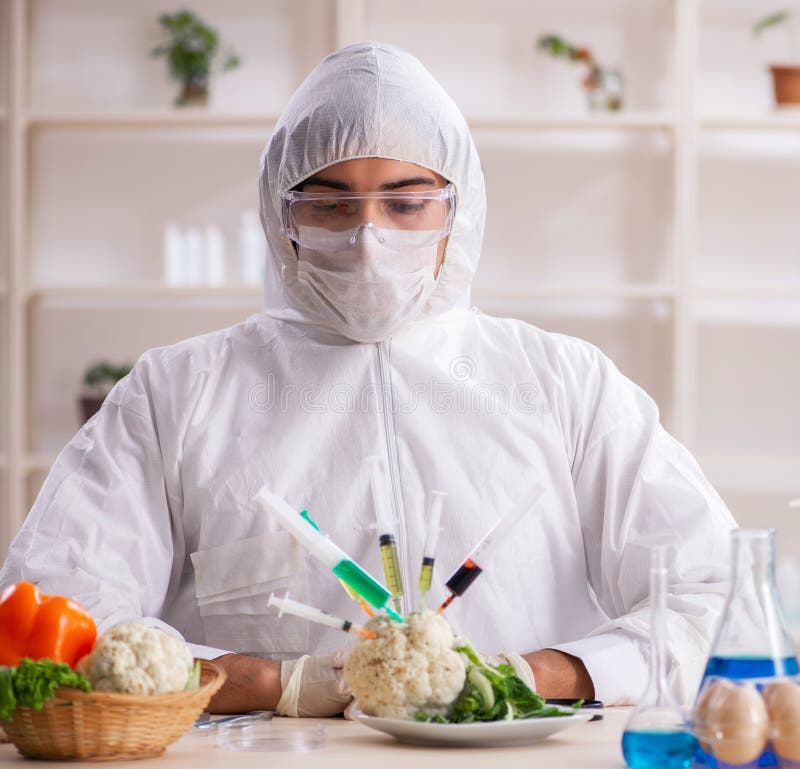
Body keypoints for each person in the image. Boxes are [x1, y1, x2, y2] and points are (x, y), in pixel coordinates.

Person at [0, 42, 735, 716]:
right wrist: (263, 681)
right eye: (330, 204)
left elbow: (718, 593)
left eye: (408, 202)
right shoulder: (176, 393)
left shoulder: (563, 383)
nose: (368, 237)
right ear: (281, 213)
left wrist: (541, 675)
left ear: (460, 210)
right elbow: (48, 617)